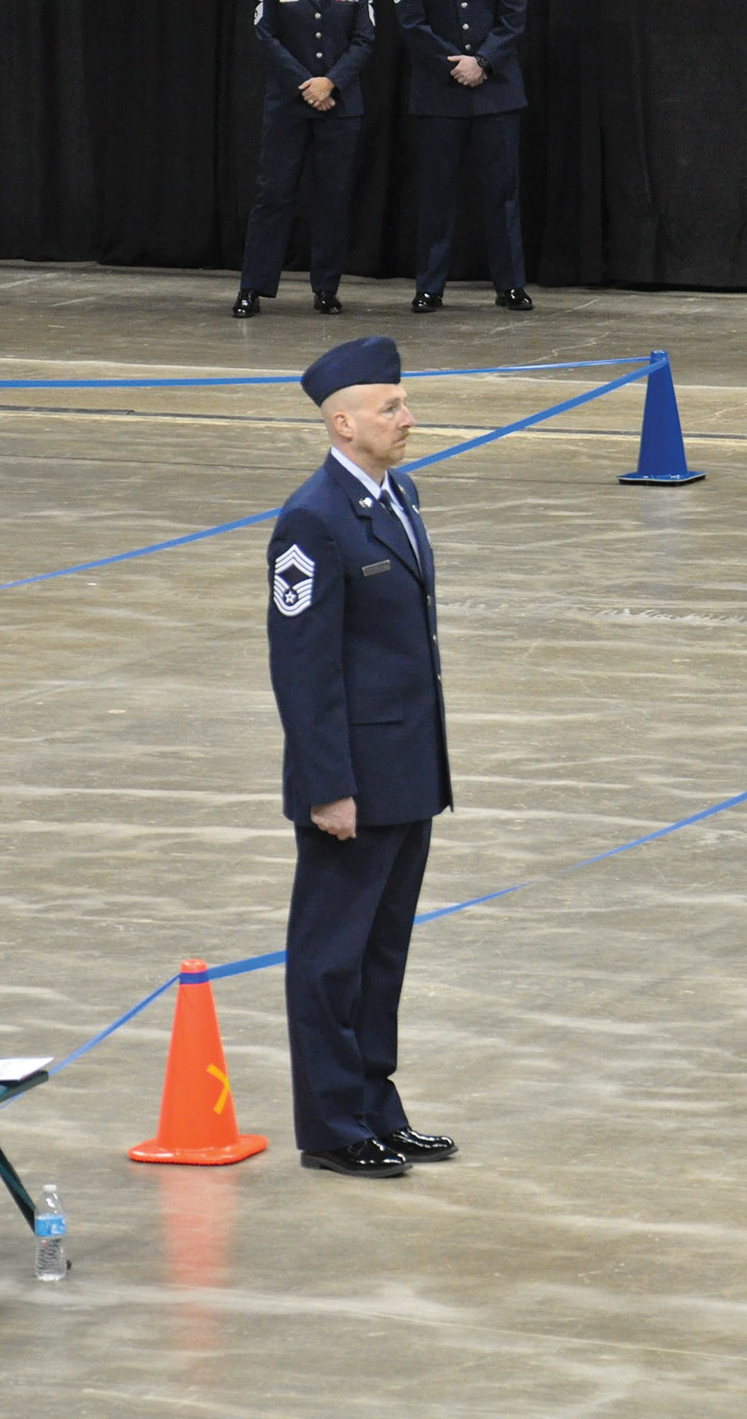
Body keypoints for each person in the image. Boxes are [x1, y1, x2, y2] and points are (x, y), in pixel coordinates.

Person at [265, 335, 457, 1177]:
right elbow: (303, 671)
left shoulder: (398, 494)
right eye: (390, 408)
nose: (407, 418)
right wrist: (326, 786)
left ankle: (377, 1105)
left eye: (404, 403)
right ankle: (335, 1126)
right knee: (331, 958)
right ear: (343, 424)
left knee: (382, 955)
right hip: (352, 782)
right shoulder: (313, 520)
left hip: (408, 771)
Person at [395, 0, 531, 314]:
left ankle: (510, 285)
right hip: (440, 93)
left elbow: (514, 18)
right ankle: (430, 287)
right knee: (437, 194)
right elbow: (412, 24)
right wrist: (455, 65)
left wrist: (483, 63)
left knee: (502, 194)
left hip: (495, 93)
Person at [236, 0, 376, 319]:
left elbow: (365, 38)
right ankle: (253, 287)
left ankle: (327, 288)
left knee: (333, 198)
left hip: (340, 104)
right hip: (290, 105)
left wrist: (330, 82)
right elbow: (265, 36)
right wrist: (306, 84)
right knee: (273, 195)